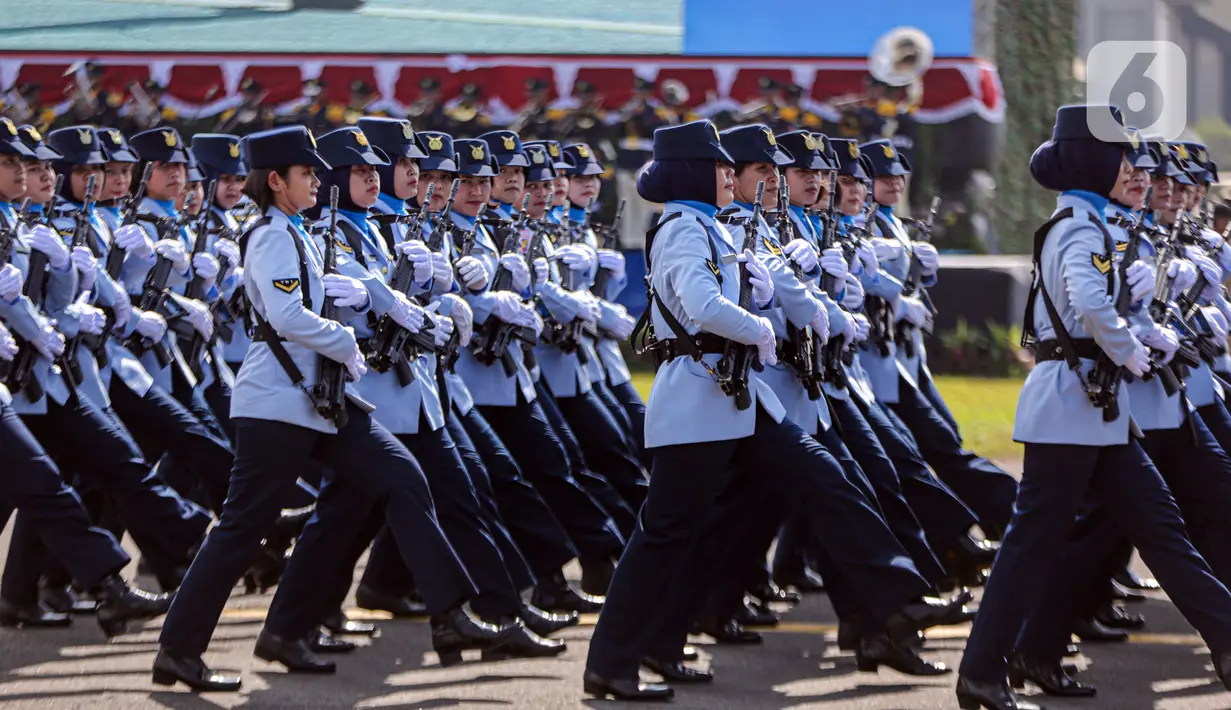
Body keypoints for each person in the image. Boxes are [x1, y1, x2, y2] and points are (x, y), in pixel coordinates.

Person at [583, 120, 960, 702]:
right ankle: (615, 660)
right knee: (666, 534)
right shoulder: (683, 228)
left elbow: (772, 278)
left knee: (825, 476)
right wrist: (757, 322)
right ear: (693, 174)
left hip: (739, 396)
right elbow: (701, 304)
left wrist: (818, 309)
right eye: (721, 167)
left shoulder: (716, 228)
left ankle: (899, 596)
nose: (730, 176)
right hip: (698, 398)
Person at [151, 125, 511, 692]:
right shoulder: (271, 236)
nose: (318, 180)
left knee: (402, 477)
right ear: (276, 180)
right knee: (242, 531)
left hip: (319, 400)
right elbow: (288, 316)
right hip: (277, 405)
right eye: (307, 173)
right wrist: (345, 340)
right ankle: (178, 650)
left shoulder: (294, 232)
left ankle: (449, 614)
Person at [955, 104, 1231, 710]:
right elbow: (1086, 303)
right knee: (1033, 547)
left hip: (1095, 410)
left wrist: (1133, 326)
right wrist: (1131, 345)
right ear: (1092, 161)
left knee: (1163, 529)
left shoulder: (1096, 224)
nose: (1134, 169)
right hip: (1070, 407)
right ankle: (980, 672)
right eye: (1122, 157)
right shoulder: (1080, 227)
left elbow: (1099, 302)